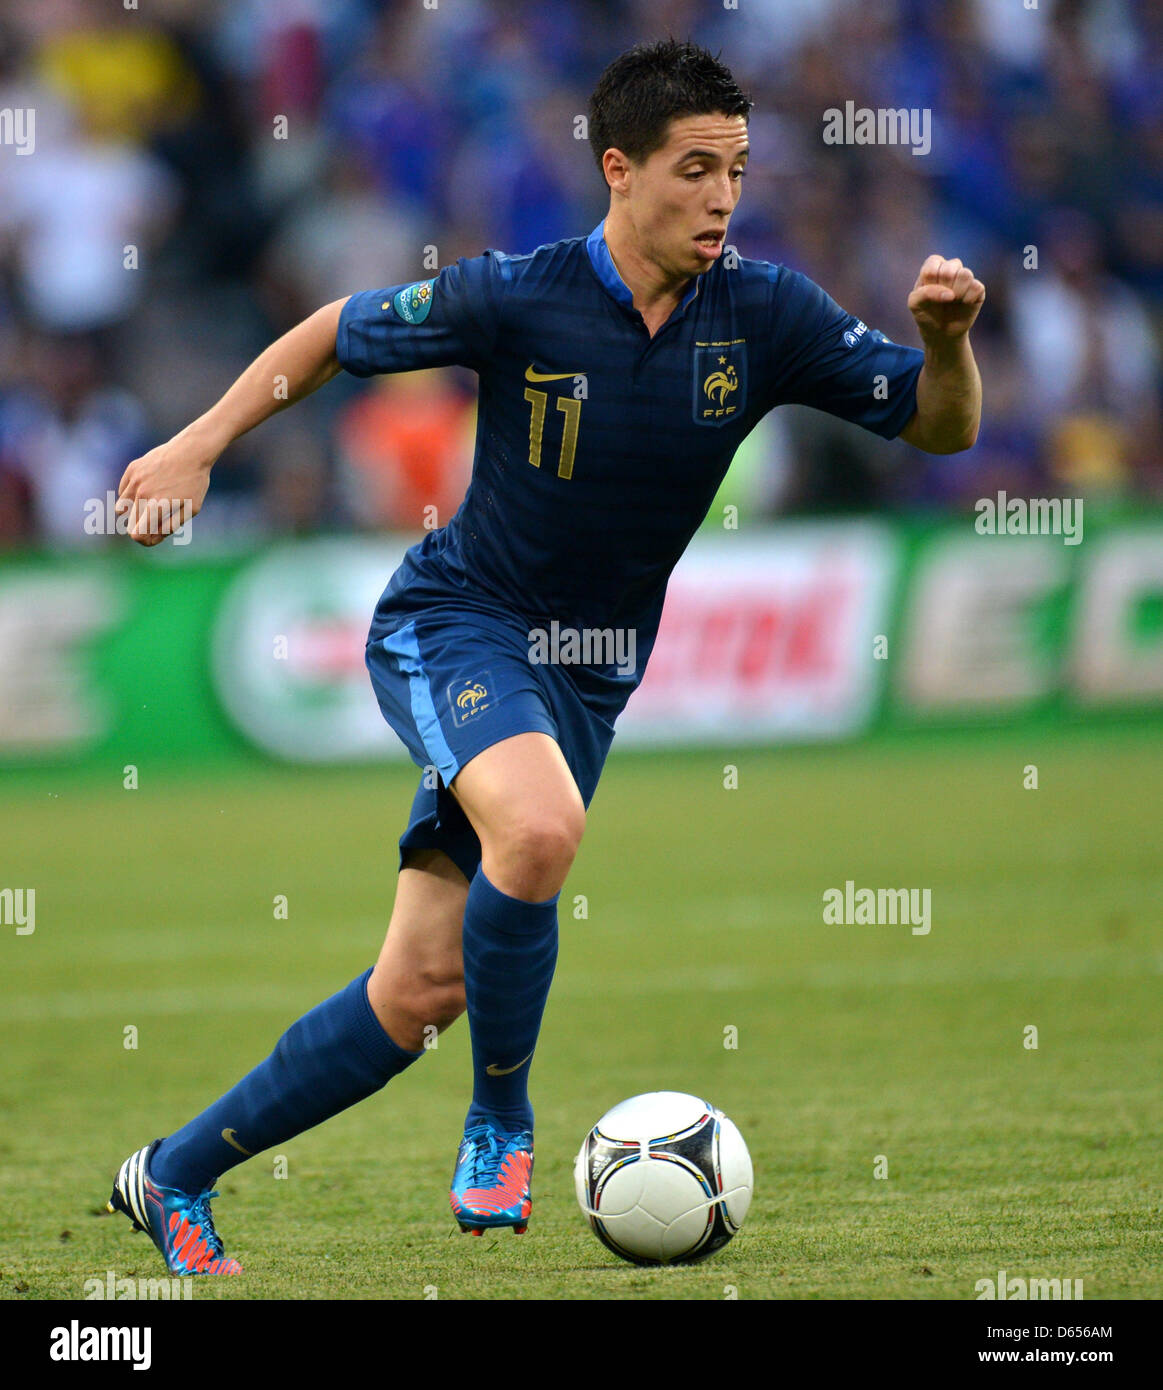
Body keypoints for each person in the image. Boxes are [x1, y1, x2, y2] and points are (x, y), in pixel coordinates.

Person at [108, 38, 983, 1275]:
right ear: (619, 171)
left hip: (584, 679)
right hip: (454, 623)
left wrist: (946, 343)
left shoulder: (767, 313)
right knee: (539, 832)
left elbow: (936, 428)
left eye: (735, 168)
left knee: (414, 992)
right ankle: (500, 1121)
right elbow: (331, 334)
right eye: (694, 169)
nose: (723, 196)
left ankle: (173, 1173)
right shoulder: (516, 291)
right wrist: (198, 443)